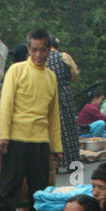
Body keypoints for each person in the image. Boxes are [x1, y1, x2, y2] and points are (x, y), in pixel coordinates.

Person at [0, 29, 61, 211]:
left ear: (49, 50)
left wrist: (56, 145)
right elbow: (6, 103)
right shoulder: (16, 70)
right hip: (16, 138)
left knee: (39, 191)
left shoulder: (51, 77)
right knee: (9, 188)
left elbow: (53, 114)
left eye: (43, 50)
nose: (39, 54)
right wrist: (4, 135)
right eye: (34, 49)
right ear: (28, 49)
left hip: (40, 141)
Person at [46, 37, 80, 171]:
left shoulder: (42, 59)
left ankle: (55, 163)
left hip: (48, 96)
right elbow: (74, 73)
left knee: (53, 129)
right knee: (69, 130)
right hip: (64, 95)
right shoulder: (64, 56)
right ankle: (72, 163)